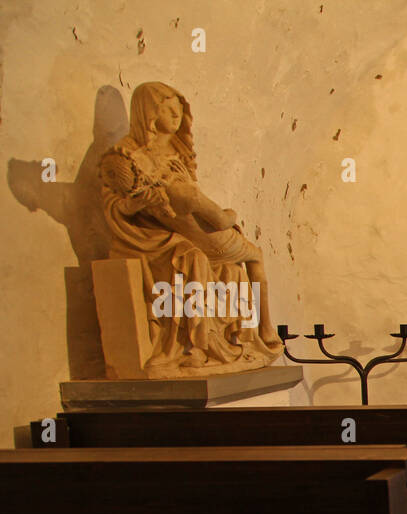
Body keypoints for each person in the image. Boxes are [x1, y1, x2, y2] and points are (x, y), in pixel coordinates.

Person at [100, 81, 281, 372]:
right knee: (199, 257)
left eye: (180, 110)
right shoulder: (126, 157)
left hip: (188, 229)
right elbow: (115, 206)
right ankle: (201, 343)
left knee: (232, 270)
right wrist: (140, 202)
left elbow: (194, 203)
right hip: (153, 238)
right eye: (169, 109)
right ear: (148, 112)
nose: (177, 116)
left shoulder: (175, 152)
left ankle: (236, 339)